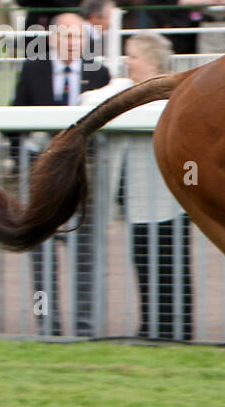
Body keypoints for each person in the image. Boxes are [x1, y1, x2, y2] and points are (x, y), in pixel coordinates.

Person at [82, 32, 194, 341]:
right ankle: (152, 327)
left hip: (171, 201)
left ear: (152, 61)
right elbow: (89, 100)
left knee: (173, 267)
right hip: (139, 202)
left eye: (132, 56)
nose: (127, 62)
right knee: (145, 266)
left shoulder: (175, 89)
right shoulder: (125, 88)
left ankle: (177, 330)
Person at [12, 13, 111, 336]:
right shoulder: (33, 70)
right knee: (42, 249)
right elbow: (15, 118)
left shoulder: (100, 72)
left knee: (85, 249)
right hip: (41, 172)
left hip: (84, 175)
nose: (71, 44)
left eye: (77, 38)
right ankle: (47, 322)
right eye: (65, 37)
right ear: (53, 39)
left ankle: (85, 324)